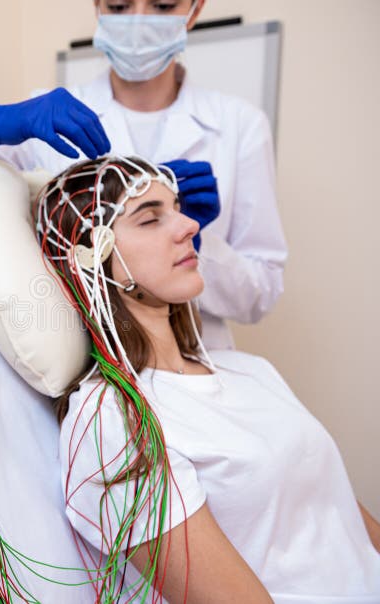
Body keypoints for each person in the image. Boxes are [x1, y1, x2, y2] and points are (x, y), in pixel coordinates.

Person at [36, 155, 380, 602]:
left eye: (176, 208)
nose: (188, 227)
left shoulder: (249, 370)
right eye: (149, 219)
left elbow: (342, 517)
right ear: (90, 257)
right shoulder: (113, 422)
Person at [0, 0, 287, 350]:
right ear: (97, 6)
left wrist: (197, 241)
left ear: (195, 9)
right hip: (85, 364)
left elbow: (261, 294)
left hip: (197, 356)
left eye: (162, 6)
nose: (137, 21)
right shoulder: (51, 119)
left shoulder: (240, 126)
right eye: (118, 6)